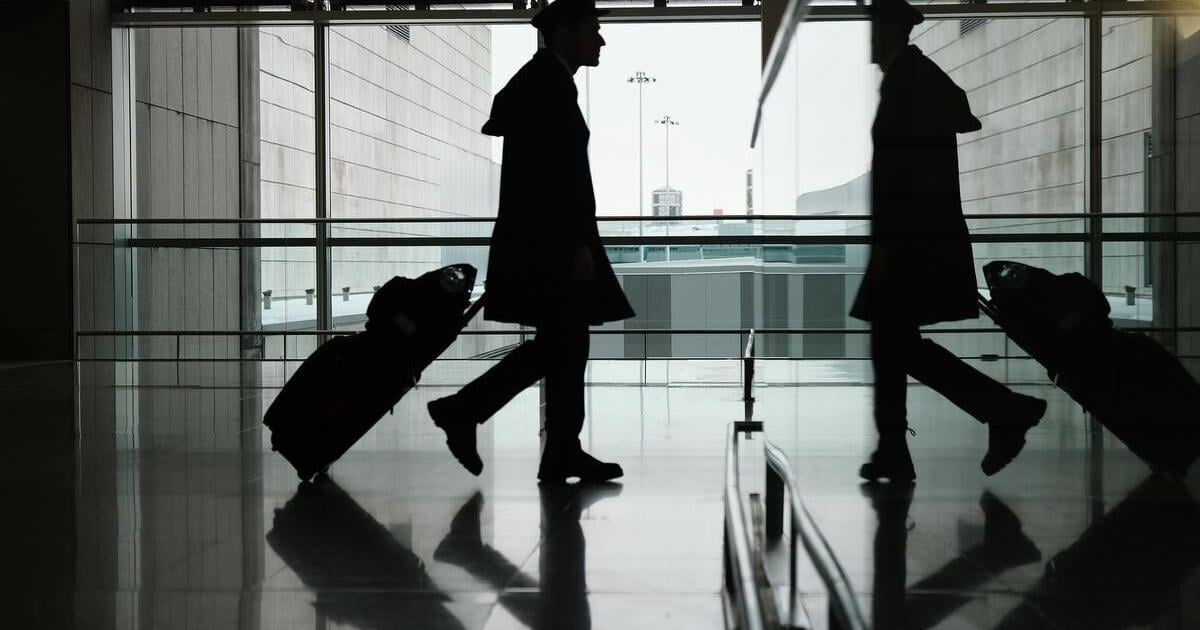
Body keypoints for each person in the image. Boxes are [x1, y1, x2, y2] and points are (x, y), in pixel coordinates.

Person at [427, 0, 634, 484]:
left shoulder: (544, 82)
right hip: (553, 245)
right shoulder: (547, 88)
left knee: (564, 343)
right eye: (593, 30)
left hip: (542, 242)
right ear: (563, 33)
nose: (600, 40)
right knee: (563, 342)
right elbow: (556, 176)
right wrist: (575, 243)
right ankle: (470, 411)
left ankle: (556, 446)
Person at [851, 0, 1047, 483]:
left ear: (890, 30)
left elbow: (904, 173)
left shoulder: (909, 81)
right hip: (915, 240)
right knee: (894, 343)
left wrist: (887, 244)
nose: (868, 40)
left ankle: (1001, 410)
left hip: (909, 243)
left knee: (893, 343)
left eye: (873, 29)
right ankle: (907, 444)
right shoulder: (912, 78)